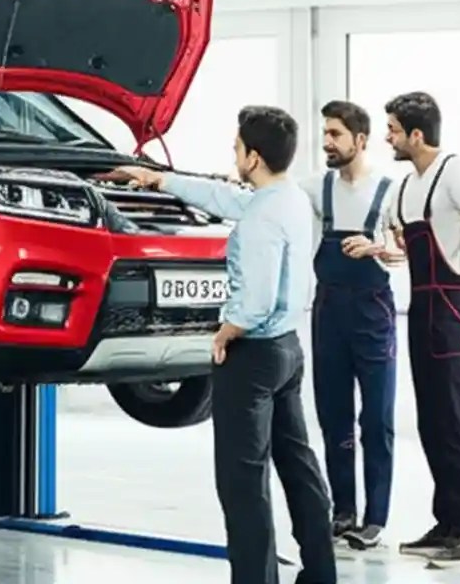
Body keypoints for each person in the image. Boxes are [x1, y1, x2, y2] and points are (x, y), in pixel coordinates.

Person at [99, 106, 335, 584]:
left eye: (236, 148)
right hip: (288, 350)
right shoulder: (289, 199)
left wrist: (227, 331)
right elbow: (226, 197)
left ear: (253, 157)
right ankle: (320, 572)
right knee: (297, 464)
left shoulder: (261, 218)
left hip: (252, 356)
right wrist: (160, 180)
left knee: (242, 480)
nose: (233, 155)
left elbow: (257, 299)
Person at [383, 92, 460, 568]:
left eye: (393, 129)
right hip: (422, 310)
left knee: (457, 422)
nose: (387, 137)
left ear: (416, 134)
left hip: (453, 309)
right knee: (432, 421)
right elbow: (403, 244)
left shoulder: (457, 172)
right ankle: (447, 524)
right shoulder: (406, 187)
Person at [303, 100, 403, 550]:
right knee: (333, 415)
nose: (327, 142)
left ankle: (375, 518)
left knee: (376, 418)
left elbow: (407, 250)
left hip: (372, 312)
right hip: (328, 311)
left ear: (360, 140)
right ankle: (342, 510)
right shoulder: (315, 187)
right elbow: (270, 198)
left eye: (335, 134)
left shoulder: (389, 190)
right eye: (325, 133)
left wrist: (377, 248)